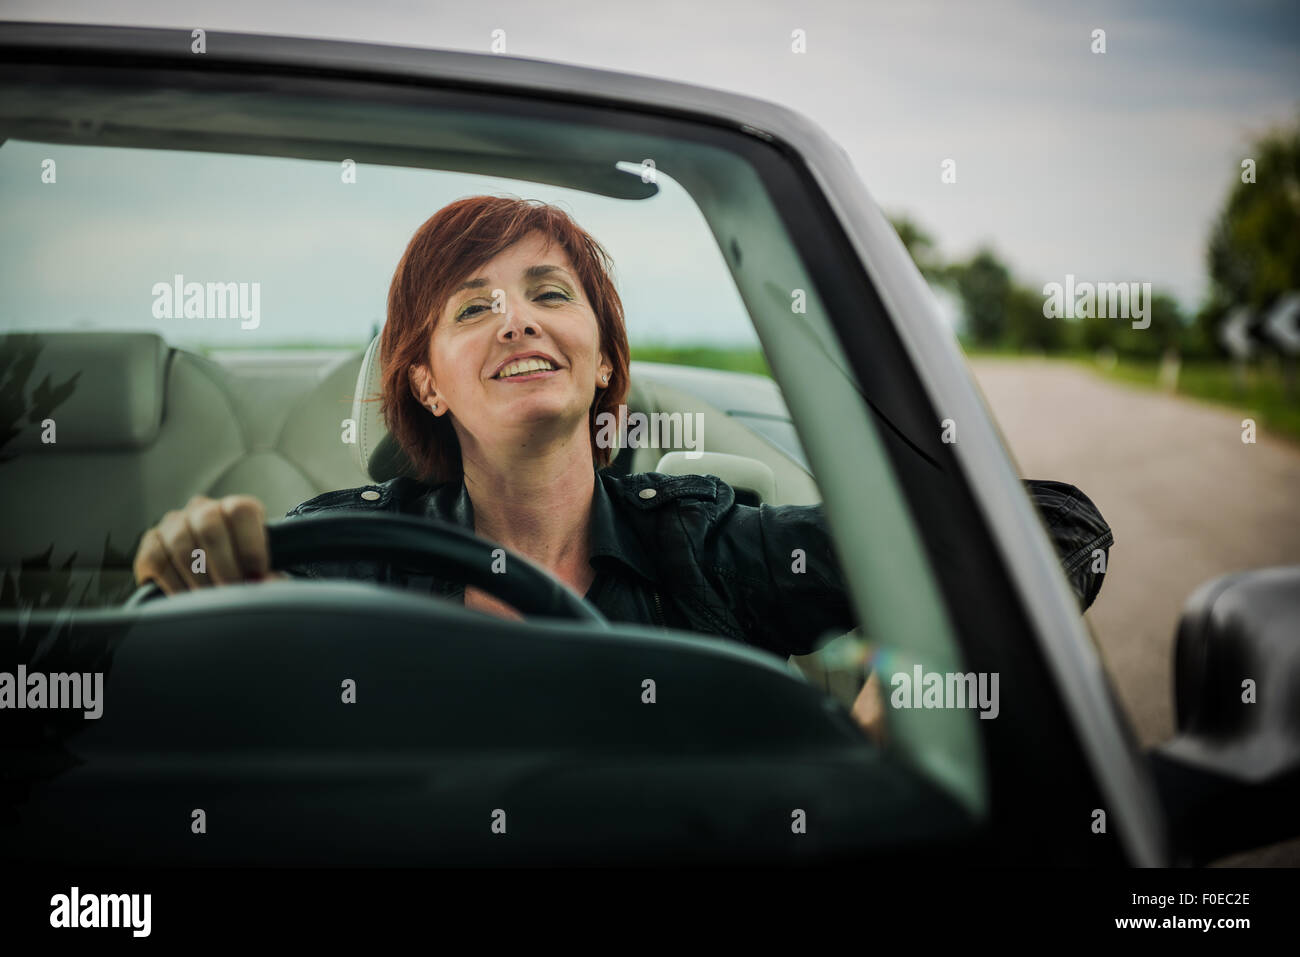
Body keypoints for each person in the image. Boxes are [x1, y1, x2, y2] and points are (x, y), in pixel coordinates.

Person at [132, 196, 1113, 738]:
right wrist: (216, 593)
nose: (515, 318)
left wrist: (907, 692)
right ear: (426, 385)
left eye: (547, 293)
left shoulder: (707, 546)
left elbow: (1062, 535)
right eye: (470, 308)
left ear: (603, 358)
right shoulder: (337, 554)